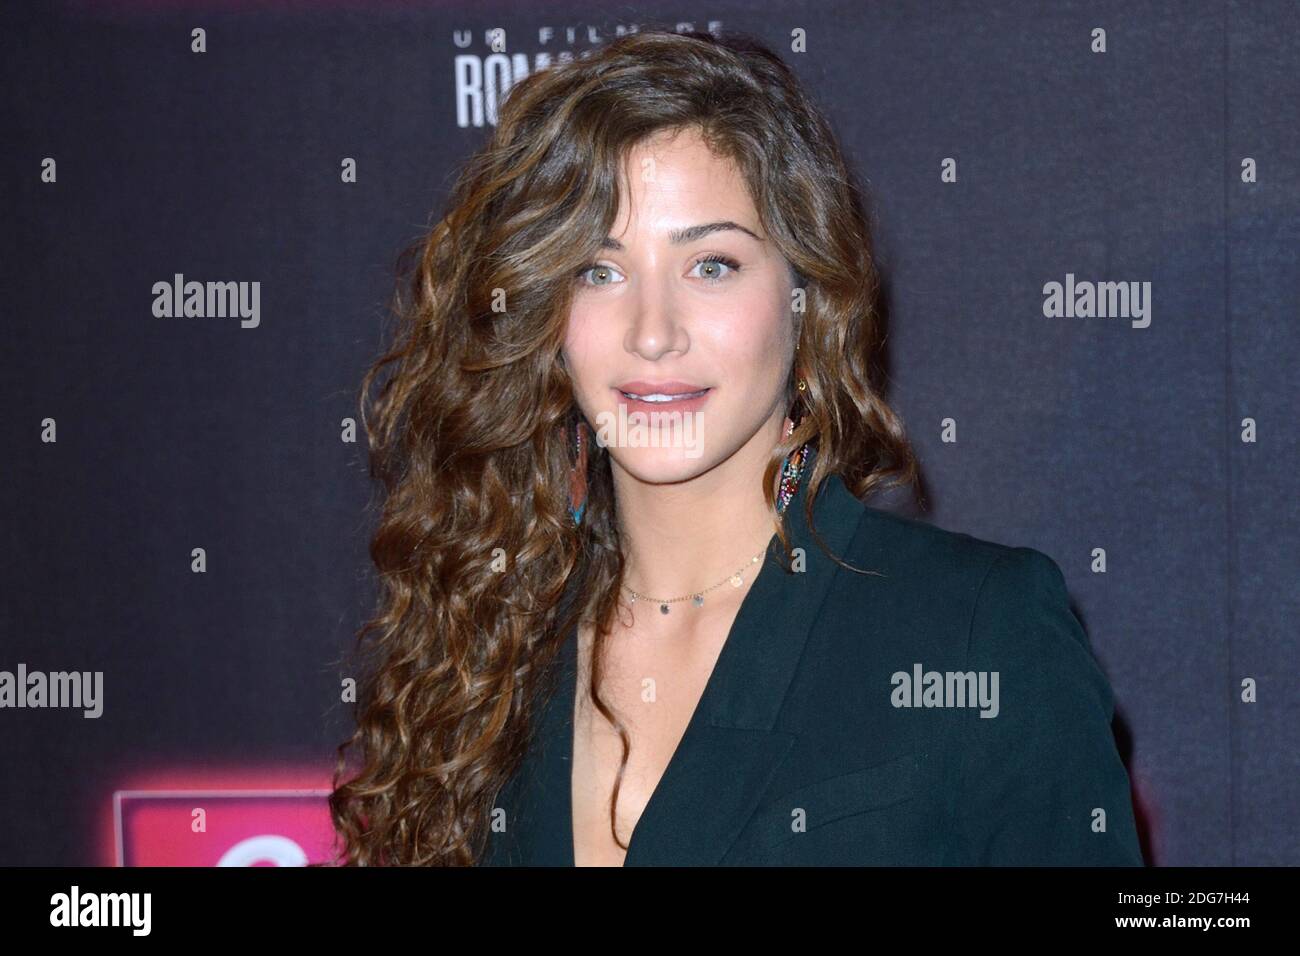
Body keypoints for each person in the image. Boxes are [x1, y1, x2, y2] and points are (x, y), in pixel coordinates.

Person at [328, 28, 1144, 867]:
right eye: (597, 271)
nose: (652, 333)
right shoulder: (488, 643)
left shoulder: (979, 630)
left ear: (806, 296)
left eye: (711, 265)